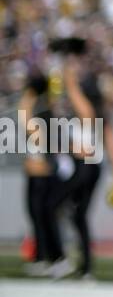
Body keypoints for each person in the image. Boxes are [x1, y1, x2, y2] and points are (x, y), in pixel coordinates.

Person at [49, 56, 113, 279]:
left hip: (84, 167)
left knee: (52, 205)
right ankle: (87, 268)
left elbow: (72, 89)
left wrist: (67, 65)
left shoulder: (86, 110)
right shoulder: (100, 114)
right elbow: (112, 146)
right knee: (79, 215)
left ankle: (60, 260)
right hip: (93, 168)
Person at [19, 71, 74, 279]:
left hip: (43, 176)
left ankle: (55, 258)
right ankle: (46, 258)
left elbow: (26, 121)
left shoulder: (45, 115)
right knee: (39, 217)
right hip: (40, 175)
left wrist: (29, 95)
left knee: (43, 216)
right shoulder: (43, 111)